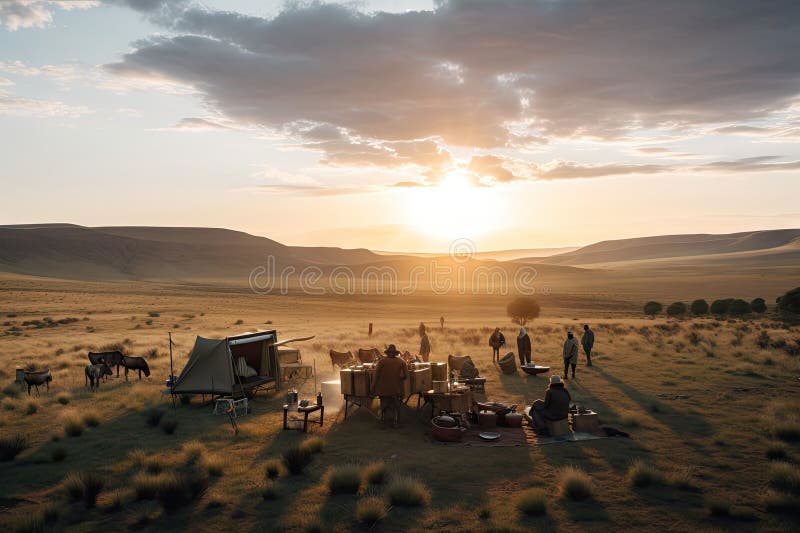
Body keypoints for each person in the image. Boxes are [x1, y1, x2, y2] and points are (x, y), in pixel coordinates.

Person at [371, 344, 407, 428]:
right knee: (395, 406)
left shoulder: (381, 361)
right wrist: (398, 378)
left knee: (383, 405)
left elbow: (376, 377)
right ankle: (395, 422)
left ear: (387, 353)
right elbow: (406, 376)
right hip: (396, 390)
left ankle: (382, 421)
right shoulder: (401, 362)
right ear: (395, 353)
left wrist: (372, 388)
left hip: (383, 390)